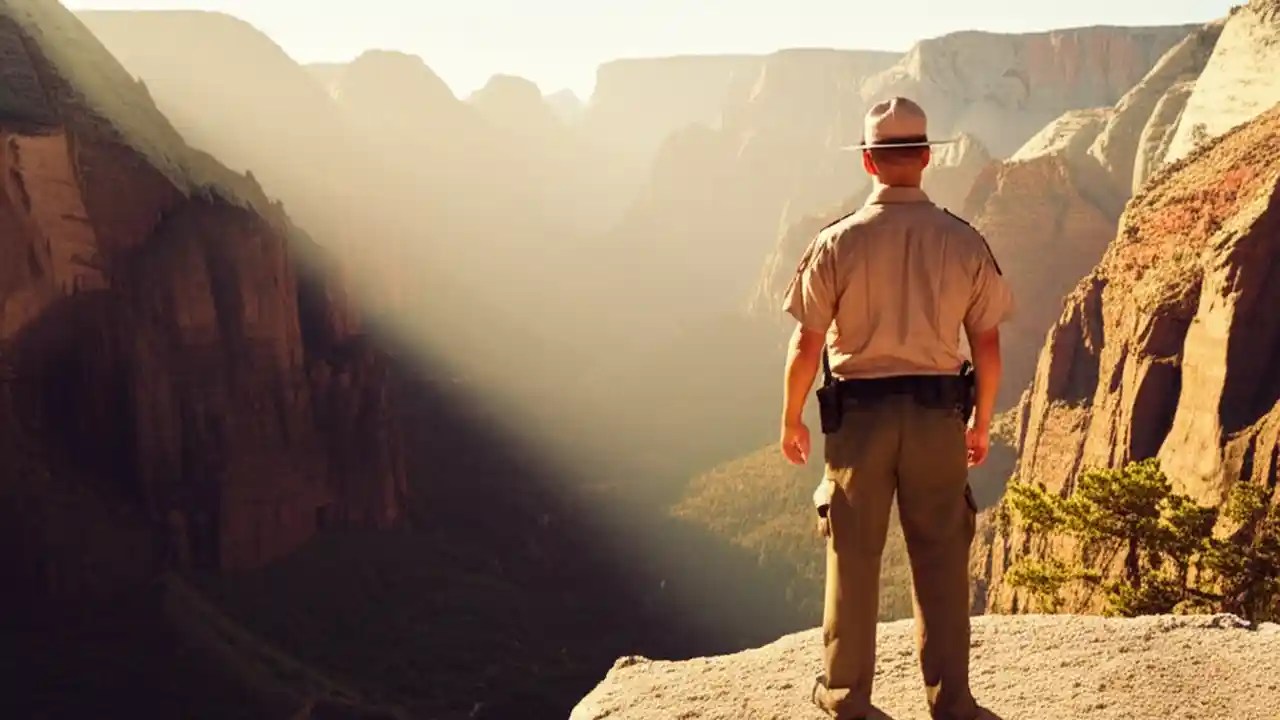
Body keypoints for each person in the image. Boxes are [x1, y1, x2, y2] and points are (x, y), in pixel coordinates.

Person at [778, 96, 1013, 720]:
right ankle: (952, 702)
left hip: (859, 424)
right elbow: (986, 346)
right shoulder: (964, 242)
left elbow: (806, 344)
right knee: (940, 557)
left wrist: (791, 416)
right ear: (927, 159)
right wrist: (981, 421)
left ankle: (845, 699)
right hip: (939, 420)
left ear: (868, 161)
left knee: (853, 560)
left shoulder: (835, 244)